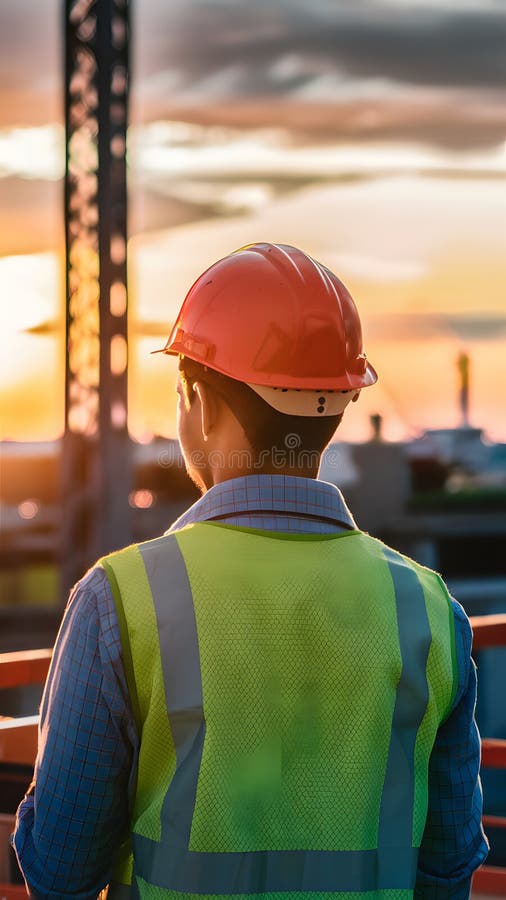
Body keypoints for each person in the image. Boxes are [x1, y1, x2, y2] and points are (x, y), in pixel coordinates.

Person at [13, 243, 488, 899]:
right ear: (340, 404)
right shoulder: (430, 610)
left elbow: (60, 868)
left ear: (200, 407)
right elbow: (449, 863)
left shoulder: (120, 601)